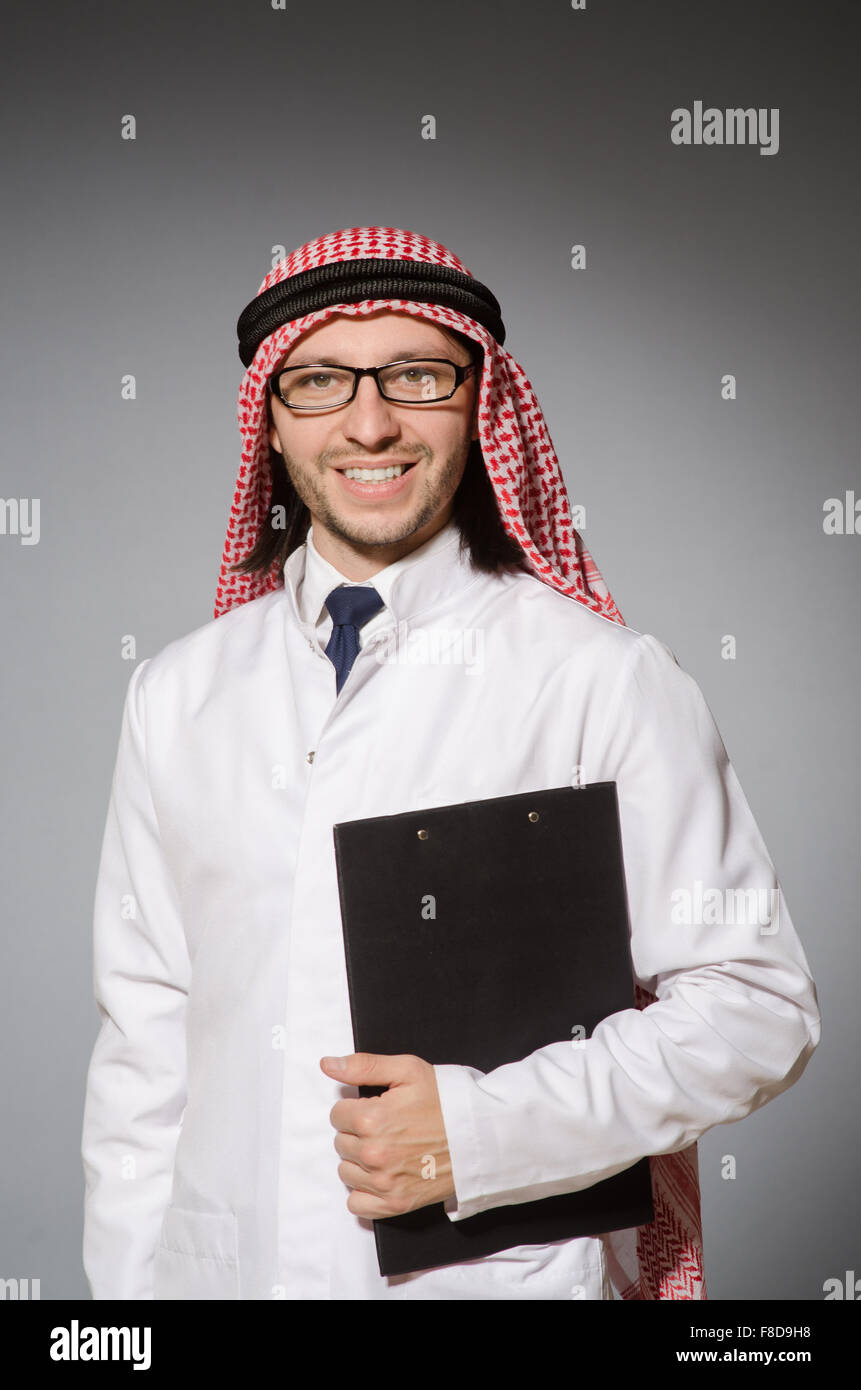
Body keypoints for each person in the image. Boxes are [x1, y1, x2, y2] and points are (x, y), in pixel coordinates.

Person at [81, 226, 821, 1301]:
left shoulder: (598, 678)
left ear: (480, 400)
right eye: (322, 381)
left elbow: (758, 1007)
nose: (370, 421)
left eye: (417, 376)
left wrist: (482, 1130)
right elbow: (143, 1061)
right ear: (272, 424)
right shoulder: (176, 695)